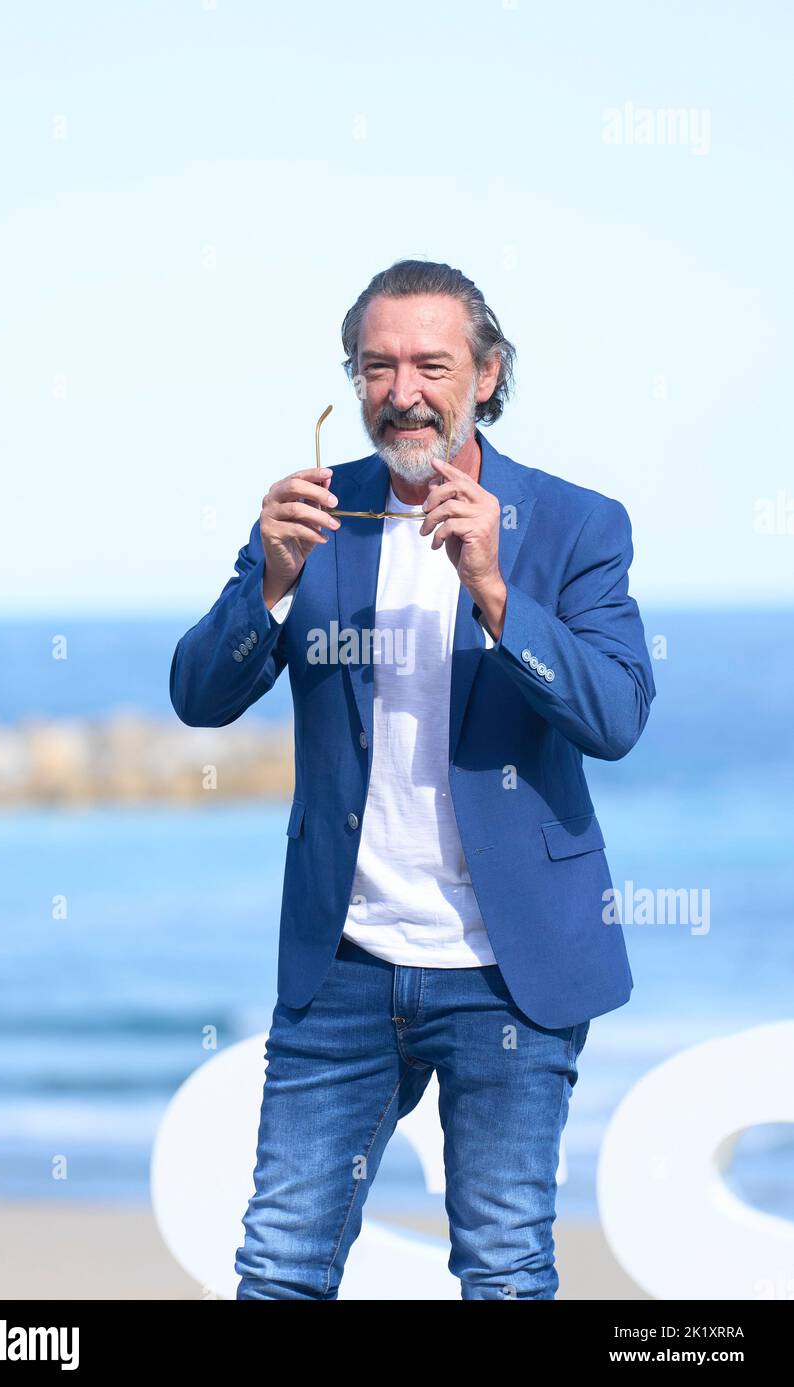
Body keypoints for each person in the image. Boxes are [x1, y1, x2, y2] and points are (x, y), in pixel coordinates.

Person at [169, 258, 656, 1299]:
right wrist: (267, 583)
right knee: (280, 1266)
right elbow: (198, 697)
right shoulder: (310, 512)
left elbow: (614, 716)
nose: (402, 390)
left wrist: (492, 591)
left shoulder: (574, 524)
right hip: (341, 969)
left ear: (485, 374)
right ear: (353, 380)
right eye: (376, 366)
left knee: (504, 1266)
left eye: (430, 364)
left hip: (506, 973)